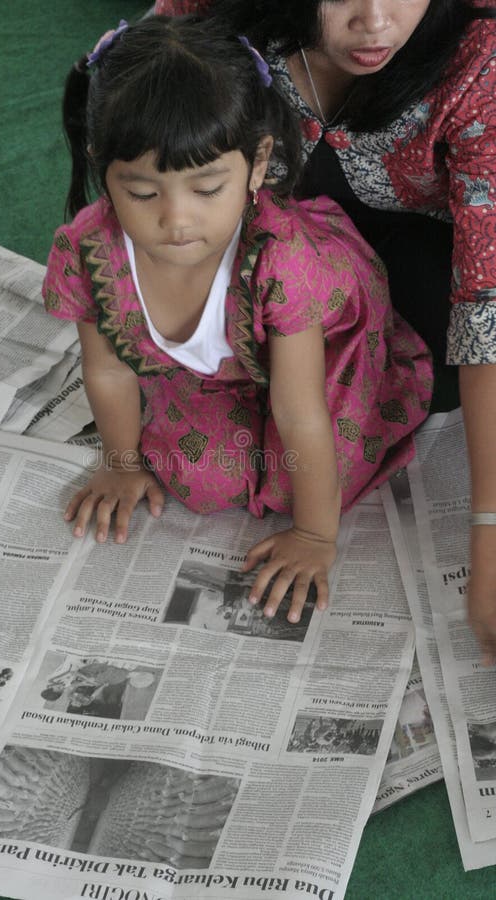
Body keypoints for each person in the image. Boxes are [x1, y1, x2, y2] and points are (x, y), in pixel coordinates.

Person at [42, 15, 431, 624]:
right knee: (199, 479)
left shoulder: (284, 262)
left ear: (257, 165)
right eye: (143, 193)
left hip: (324, 358)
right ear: (102, 167)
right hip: (236, 372)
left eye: (207, 189)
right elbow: (110, 373)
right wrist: (119, 464)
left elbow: (300, 411)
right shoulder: (86, 252)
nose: (176, 221)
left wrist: (314, 537)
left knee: (294, 478)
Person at [152, 1, 496, 662]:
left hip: (429, 248)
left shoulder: (480, 53)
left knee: (447, 377)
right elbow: (141, 117)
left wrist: (489, 530)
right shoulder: (208, 12)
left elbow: (486, 296)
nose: (374, 21)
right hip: (266, 234)